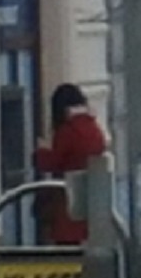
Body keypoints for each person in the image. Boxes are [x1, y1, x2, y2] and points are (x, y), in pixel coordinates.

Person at [33, 82, 109, 247]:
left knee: (65, 254)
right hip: (91, 208)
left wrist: (39, 153)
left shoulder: (68, 131)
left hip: (67, 207)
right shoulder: (94, 128)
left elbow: (54, 162)